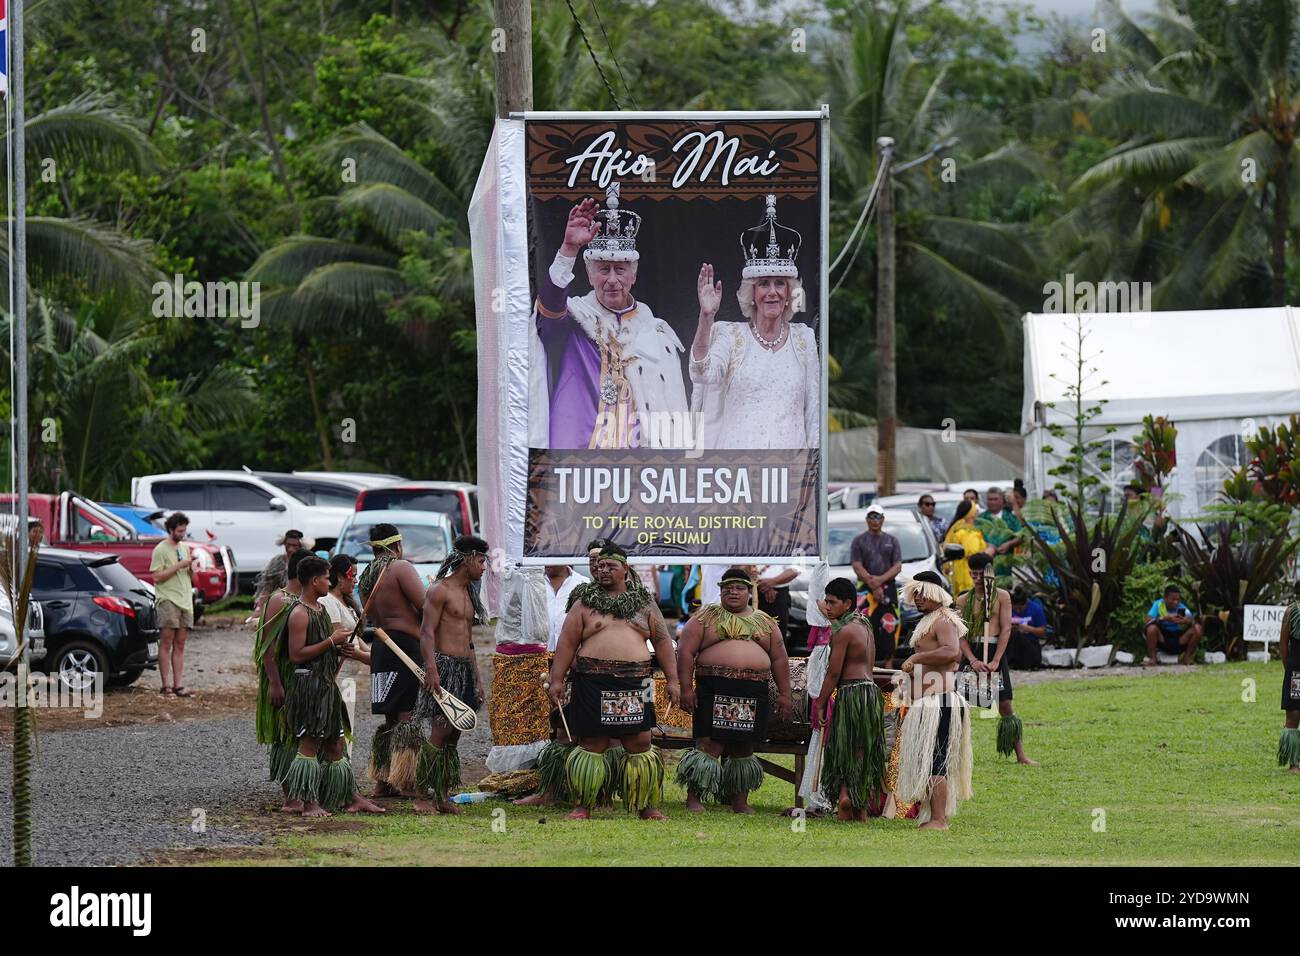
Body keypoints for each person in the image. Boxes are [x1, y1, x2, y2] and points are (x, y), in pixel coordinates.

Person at [531, 185, 690, 449]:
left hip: (637, 467)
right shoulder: (573, 319)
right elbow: (547, 309)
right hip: (578, 461)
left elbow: (671, 411)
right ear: (590, 273)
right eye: (604, 269)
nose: (612, 279)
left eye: (620, 269)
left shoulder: (656, 332)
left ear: (634, 275)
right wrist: (569, 249)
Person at [547, 543, 681, 820]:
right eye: (601, 566)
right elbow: (567, 643)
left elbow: (663, 642)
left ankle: (647, 805)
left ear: (625, 569)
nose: (604, 570)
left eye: (611, 566)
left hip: (635, 683)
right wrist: (556, 679)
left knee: (640, 742)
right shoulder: (584, 603)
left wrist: (674, 681)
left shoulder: (644, 603)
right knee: (591, 743)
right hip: (592, 681)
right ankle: (583, 805)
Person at [691, 194, 819, 450]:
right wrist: (706, 318)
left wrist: (810, 477)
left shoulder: (803, 339)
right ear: (752, 293)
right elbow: (703, 373)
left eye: (779, 283)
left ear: (788, 293)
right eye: (763, 283)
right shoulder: (729, 334)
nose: (772, 291)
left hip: (787, 475)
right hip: (735, 474)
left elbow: (813, 411)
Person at [675, 567, 792, 814]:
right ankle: (694, 798)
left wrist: (785, 694)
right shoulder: (705, 618)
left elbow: (780, 659)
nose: (733, 593)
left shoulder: (765, 622)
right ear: (720, 591)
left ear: (749, 592)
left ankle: (740, 801)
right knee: (709, 744)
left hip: (752, 689)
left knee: (743, 746)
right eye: (728, 589)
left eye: (739, 588)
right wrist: (686, 688)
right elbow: (685, 651)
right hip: (714, 686)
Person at [280, 556, 383, 817]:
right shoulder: (300, 613)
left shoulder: (320, 610)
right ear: (314, 581)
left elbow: (329, 643)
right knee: (310, 744)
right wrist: (330, 641)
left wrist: (340, 645)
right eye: (326, 578)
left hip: (326, 685)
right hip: (309, 685)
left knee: (336, 745)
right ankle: (308, 802)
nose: (330, 581)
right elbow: (296, 655)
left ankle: (346, 795)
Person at [408, 535, 490, 814]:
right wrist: (431, 668)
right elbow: (426, 632)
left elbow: (468, 640)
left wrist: (477, 678)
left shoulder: (469, 592)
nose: (483, 567)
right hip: (443, 668)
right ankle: (421, 795)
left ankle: (442, 796)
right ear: (467, 559)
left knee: (455, 735)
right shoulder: (439, 590)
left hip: (464, 668)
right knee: (440, 732)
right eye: (480, 561)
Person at [895, 572, 973, 829]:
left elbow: (952, 652)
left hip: (939, 702)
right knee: (929, 759)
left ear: (936, 594)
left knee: (936, 760)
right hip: (930, 702)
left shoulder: (942, 620)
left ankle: (939, 819)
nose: (917, 599)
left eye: (922, 594)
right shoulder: (931, 620)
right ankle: (934, 815)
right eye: (914, 594)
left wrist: (917, 659)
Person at [357, 523, 429, 798]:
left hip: (381, 648)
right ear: (396, 545)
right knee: (407, 714)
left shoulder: (368, 575)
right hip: (404, 646)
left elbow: (369, 616)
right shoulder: (400, 568)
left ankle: (383, 780)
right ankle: (407, 780)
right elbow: (424, 606)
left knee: (389, 716)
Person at [810, 577, 886, 821]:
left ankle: (844, 796)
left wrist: (820, 703)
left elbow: (833, 673)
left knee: (843, 750)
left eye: (833, 603)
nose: (828, 607)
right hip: (870, 694)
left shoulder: (844, 632)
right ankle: (860, 806)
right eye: (826, 602)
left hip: (851, 693)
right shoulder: (864, 625)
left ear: (848, 603)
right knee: (862, 751)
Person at [956, 554, 1036, 764]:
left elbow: (1006, 628)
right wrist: (972, 660)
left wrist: (996, 661)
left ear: (990, 574)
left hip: (994, 653)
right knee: (958, 704)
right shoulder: (963, 600)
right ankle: (954, 755)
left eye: (981, 574)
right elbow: (960, 635)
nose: (977, 579)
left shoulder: (1002, 597)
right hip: (972, 653)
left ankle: (1021, 755)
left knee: (1005, 705)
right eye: (973, 574)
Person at [253, 547, 311, 810]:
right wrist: (275, 683)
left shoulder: (303, 600)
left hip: (301, 679)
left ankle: (306, 789)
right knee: (285, 734)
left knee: (302, 734)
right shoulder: (280, 600)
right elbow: (268, 647)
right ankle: (291, 796)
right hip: (281, 678)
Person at [850, 504, 902, 666]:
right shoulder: (859, 541)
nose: (875, 520)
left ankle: (889, 666)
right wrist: (873, 584)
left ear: (883, 519)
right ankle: (866, 666)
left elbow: (897, 565)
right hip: (865, 590)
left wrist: (880, 581)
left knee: (890, 627)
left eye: (878, 516)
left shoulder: (892, 540)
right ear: (866, 520)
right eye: (871, 517)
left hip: (888, 589)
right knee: (864, 626)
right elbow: (857, 565)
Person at [151, 511, 195, 698]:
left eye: (184, 530)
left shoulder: (184, 548)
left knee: (181, 644)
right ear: (170, 529)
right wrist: (178, 565)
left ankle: (179, 685)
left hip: (185, 599)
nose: (182, 534)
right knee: (166, 642)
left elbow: (187, 574)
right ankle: (165, 685)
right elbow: (157, 577)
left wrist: (190, 567)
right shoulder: (161, 549)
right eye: (179, 531)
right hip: (168, 600)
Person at [251, 529, 310, 620]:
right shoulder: (277, 562)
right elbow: (267, 586)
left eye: (295, 546)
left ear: (301, 546)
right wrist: (259, 608)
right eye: (288, 545)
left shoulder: (307, 562)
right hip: (281, 603)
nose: (290, 549)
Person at [1143, 585, 1202, 666]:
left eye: (1178, 599)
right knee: (1151, 628)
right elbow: (1148, 621)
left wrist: (1186, 621)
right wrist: (1165, 618)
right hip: (1162, 637)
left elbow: (1193, 621)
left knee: (1198, 628)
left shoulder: (1182, 608)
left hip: (1179, 638)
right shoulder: (1158, 604)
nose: (1176, 602)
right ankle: (1153, 658)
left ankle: (1187, 658)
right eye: (1173, 599)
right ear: (1165, 598)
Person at [943, 499, 991, 595]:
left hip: (959, 571)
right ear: (971, 513)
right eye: (975, 509)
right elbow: (972, 552)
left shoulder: (957, 527)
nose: (977, 512)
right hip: (968, 572)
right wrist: (987, 552)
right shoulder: (968, 532)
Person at [979, 486, 1023, 581]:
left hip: (1006, 564)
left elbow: (1020, 536)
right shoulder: (980, 519)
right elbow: (975, 537)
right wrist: (987, 545)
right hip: (985, 564)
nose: (992, 502)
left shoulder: (1011, 518)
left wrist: (1009, 544)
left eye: (995, 499)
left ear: (1002, 500)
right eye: (990, 499)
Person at [544, 564, 586, 651]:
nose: (547, 561)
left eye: (550, 556)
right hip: (537, 656)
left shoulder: (583, 583)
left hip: (571, 657)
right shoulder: (533, 581)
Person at [1280, 599, 1300, 773]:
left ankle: (1294, 765)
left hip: (1295, 670)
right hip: (1296, 671)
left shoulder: (1290, 611)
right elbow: (1283, 644)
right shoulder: (1292, 611)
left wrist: (1289, 668)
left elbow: (1283, 644)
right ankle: (1294, 764)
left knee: (1293, 717)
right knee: (1293, 717)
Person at [1008, 587, 1048, 669]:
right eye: (1016, 608)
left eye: (1020, 608)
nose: (1018, 611)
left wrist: (1029, 629)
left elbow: (1043, 632)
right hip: (1011, 643)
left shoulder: (1036, 609)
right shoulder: (1007, 609)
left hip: (1030, 644)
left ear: (1026, 603)